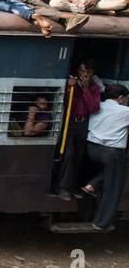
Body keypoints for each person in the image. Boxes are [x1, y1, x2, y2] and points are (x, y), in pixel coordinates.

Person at [55, 60, 104, 199]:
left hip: (84, 125)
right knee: (68, 154)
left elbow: (94, 108)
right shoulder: (71, 85)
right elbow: (67, 104)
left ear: (92, 73)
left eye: (88, 72)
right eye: (82, 71)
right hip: (69, 124)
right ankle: (62, 188)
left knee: (78, 156)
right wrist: (71, 88)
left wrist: (86, 89)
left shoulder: (94, 87)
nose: (84, 74)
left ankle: (72, 187)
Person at [83, 84, 129, 231]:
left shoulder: (98, 106)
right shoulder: (125, 111)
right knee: (113, 187)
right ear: (121, 98)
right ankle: (101, 222)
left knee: (112, 170)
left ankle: (92, 184)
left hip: (91, 149)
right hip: (111, 153)